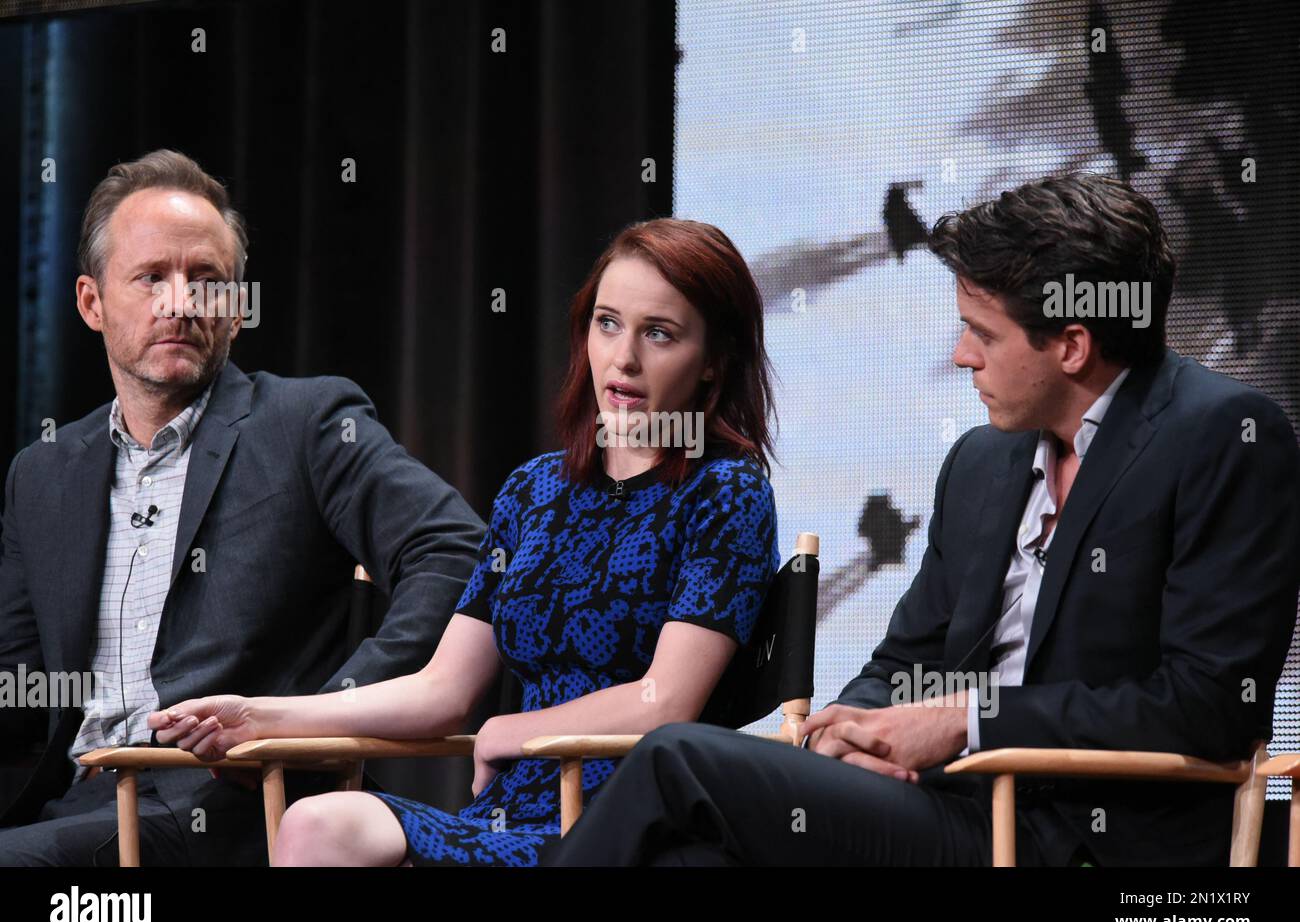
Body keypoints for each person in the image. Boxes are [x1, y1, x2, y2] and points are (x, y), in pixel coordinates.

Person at [543, 173, 1300, 867]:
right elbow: (907, 659)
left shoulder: (1225, 436)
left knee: (681, 758)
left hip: (1093, 844)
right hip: (952, 808)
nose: (964, 355)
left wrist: (967, 720)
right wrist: (856, 722)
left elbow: (1204, 705)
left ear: (1072, 345)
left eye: (984, 333)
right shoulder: (982, 461)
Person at [151, 217, 782, 866]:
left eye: (659, 334)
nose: (624, 358)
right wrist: (261, 717)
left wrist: (517, 730)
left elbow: (666, 703)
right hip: (511, 816)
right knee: (316, 824)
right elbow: (443, 691)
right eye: (608, 323)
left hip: (637, 825)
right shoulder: (533, 491)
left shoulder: (728, 492)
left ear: (712, 364)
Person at [0, 149, 485, 866]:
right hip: (73, 802)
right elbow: (15, 690)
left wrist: (322, 715)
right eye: (152, 278)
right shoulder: (41, 474)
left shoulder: (307, 424)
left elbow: (458, 552)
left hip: (226, 803)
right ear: (90, 303)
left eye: (207, 281)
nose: (182, 302)